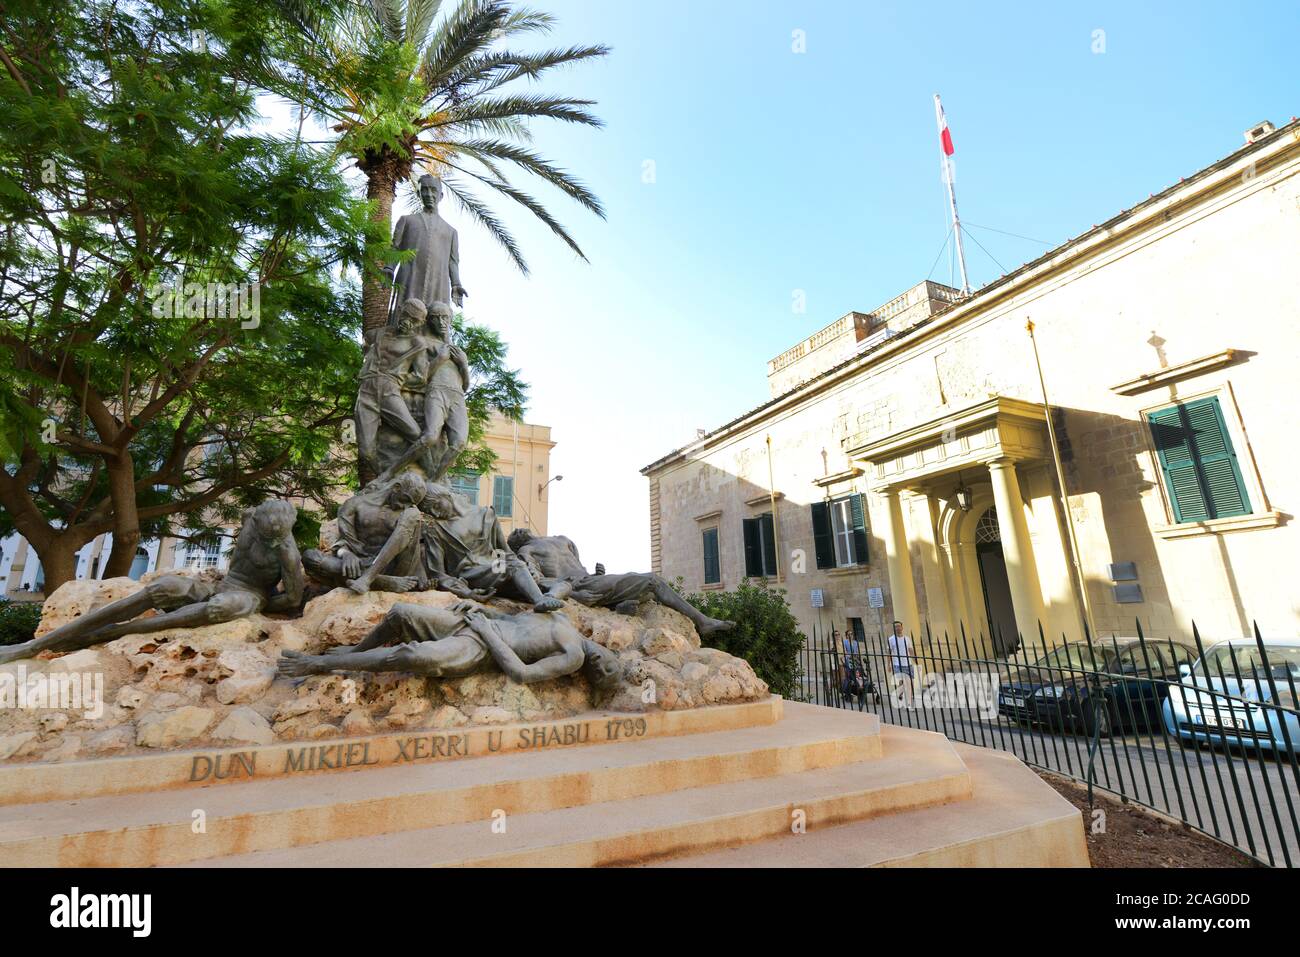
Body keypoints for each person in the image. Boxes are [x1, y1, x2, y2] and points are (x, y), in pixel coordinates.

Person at [0, 500, 303, 664]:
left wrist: (259, 604)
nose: (274, 542)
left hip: (251, 595)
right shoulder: (251, 517)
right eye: (268, 536)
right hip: (221, 583)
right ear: (256, 523)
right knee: (164, 586)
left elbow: (291, 599)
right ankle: (34, 646)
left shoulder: (288, 552)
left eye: (279, 538)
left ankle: (110, 633)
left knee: (221, 607)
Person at [277, 599, 625, 703]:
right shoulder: (561, 616)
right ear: (612, 655)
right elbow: (515, 620)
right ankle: (354, 649)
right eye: (611, 667)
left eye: (602, 676)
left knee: (413, 656)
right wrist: (484, 611)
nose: (602, 667)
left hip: (478, 647)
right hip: (478, 623)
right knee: (401, 613)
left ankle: (319, 664)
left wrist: (488, 633)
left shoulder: (573, 657)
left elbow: (521, 673)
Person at [506, 528, 736, 637]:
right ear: (516, 544)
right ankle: (703, 622)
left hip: (590, 581)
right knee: (652, 581)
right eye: (514, 535)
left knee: (646, 589)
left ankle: (619, 607)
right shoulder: (526, 551)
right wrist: (574, 596)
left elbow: (579, 566)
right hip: (579, 588)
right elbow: (537, 582)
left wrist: (598, 575)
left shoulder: (563, 539)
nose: (517, 531)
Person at [419, 483, 564, 612]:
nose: (436, 513)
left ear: (446, 495)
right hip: (469, 575)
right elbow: (438, 574)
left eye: (436, 506)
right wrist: (466, 592)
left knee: (555, 583)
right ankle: (539, 600)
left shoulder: (485, 514)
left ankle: (546, 596)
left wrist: (529, 570)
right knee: (513, 567)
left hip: (493, 568)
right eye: (430, 511)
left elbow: (506, 553)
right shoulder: (435, 529)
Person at [303, 472, 429, 595]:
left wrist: (421, 575)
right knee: (310, 556)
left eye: (411, 503)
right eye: (406, 499)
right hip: (359, 566)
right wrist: (346, 554)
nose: (406, 506)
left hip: (395, 568)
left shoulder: (408, 512)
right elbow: (345, 540)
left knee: (413, 514)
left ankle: (368, 579)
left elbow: (413, 548)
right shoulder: (354, 504)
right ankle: (382, 582)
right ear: (396, 488)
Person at [888, 620, 915, 705]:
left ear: (902, 627)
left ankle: (901, 694)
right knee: (901, 682)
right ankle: (907, 700)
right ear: (894, 628)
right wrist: (888, 665)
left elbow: (911, 650)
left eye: (899, 626)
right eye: (896, 627)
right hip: (897, 664)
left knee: (910, 682)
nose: (898, 628)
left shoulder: (907, 639)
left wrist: (915, 661)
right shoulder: (891, 639)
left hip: (908, 664)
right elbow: (889, 653)